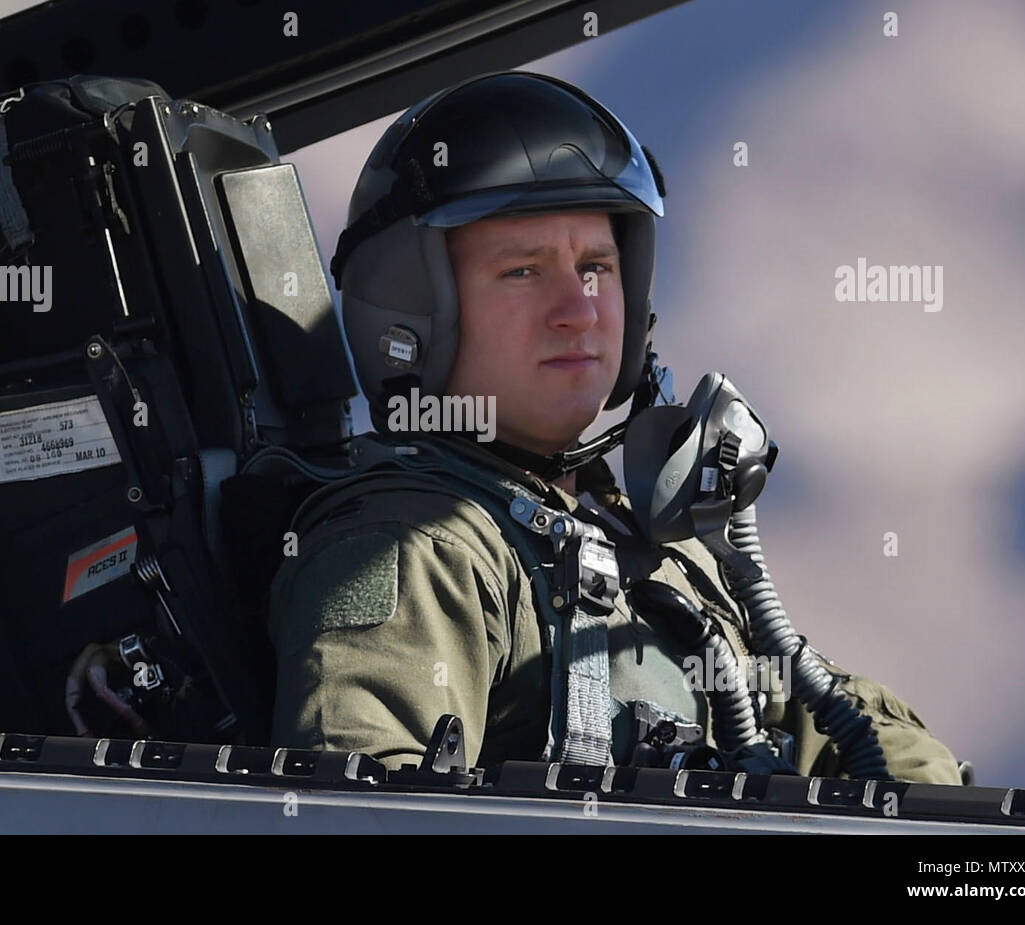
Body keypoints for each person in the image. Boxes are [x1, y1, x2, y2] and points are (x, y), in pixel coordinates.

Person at [268, 70, 962, 783]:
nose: (580, 308)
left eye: (597, 267)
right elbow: (353, 807)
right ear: (412, 311)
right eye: (523, 272)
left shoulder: (637, 539)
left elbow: (845, 732)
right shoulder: (416, 550)